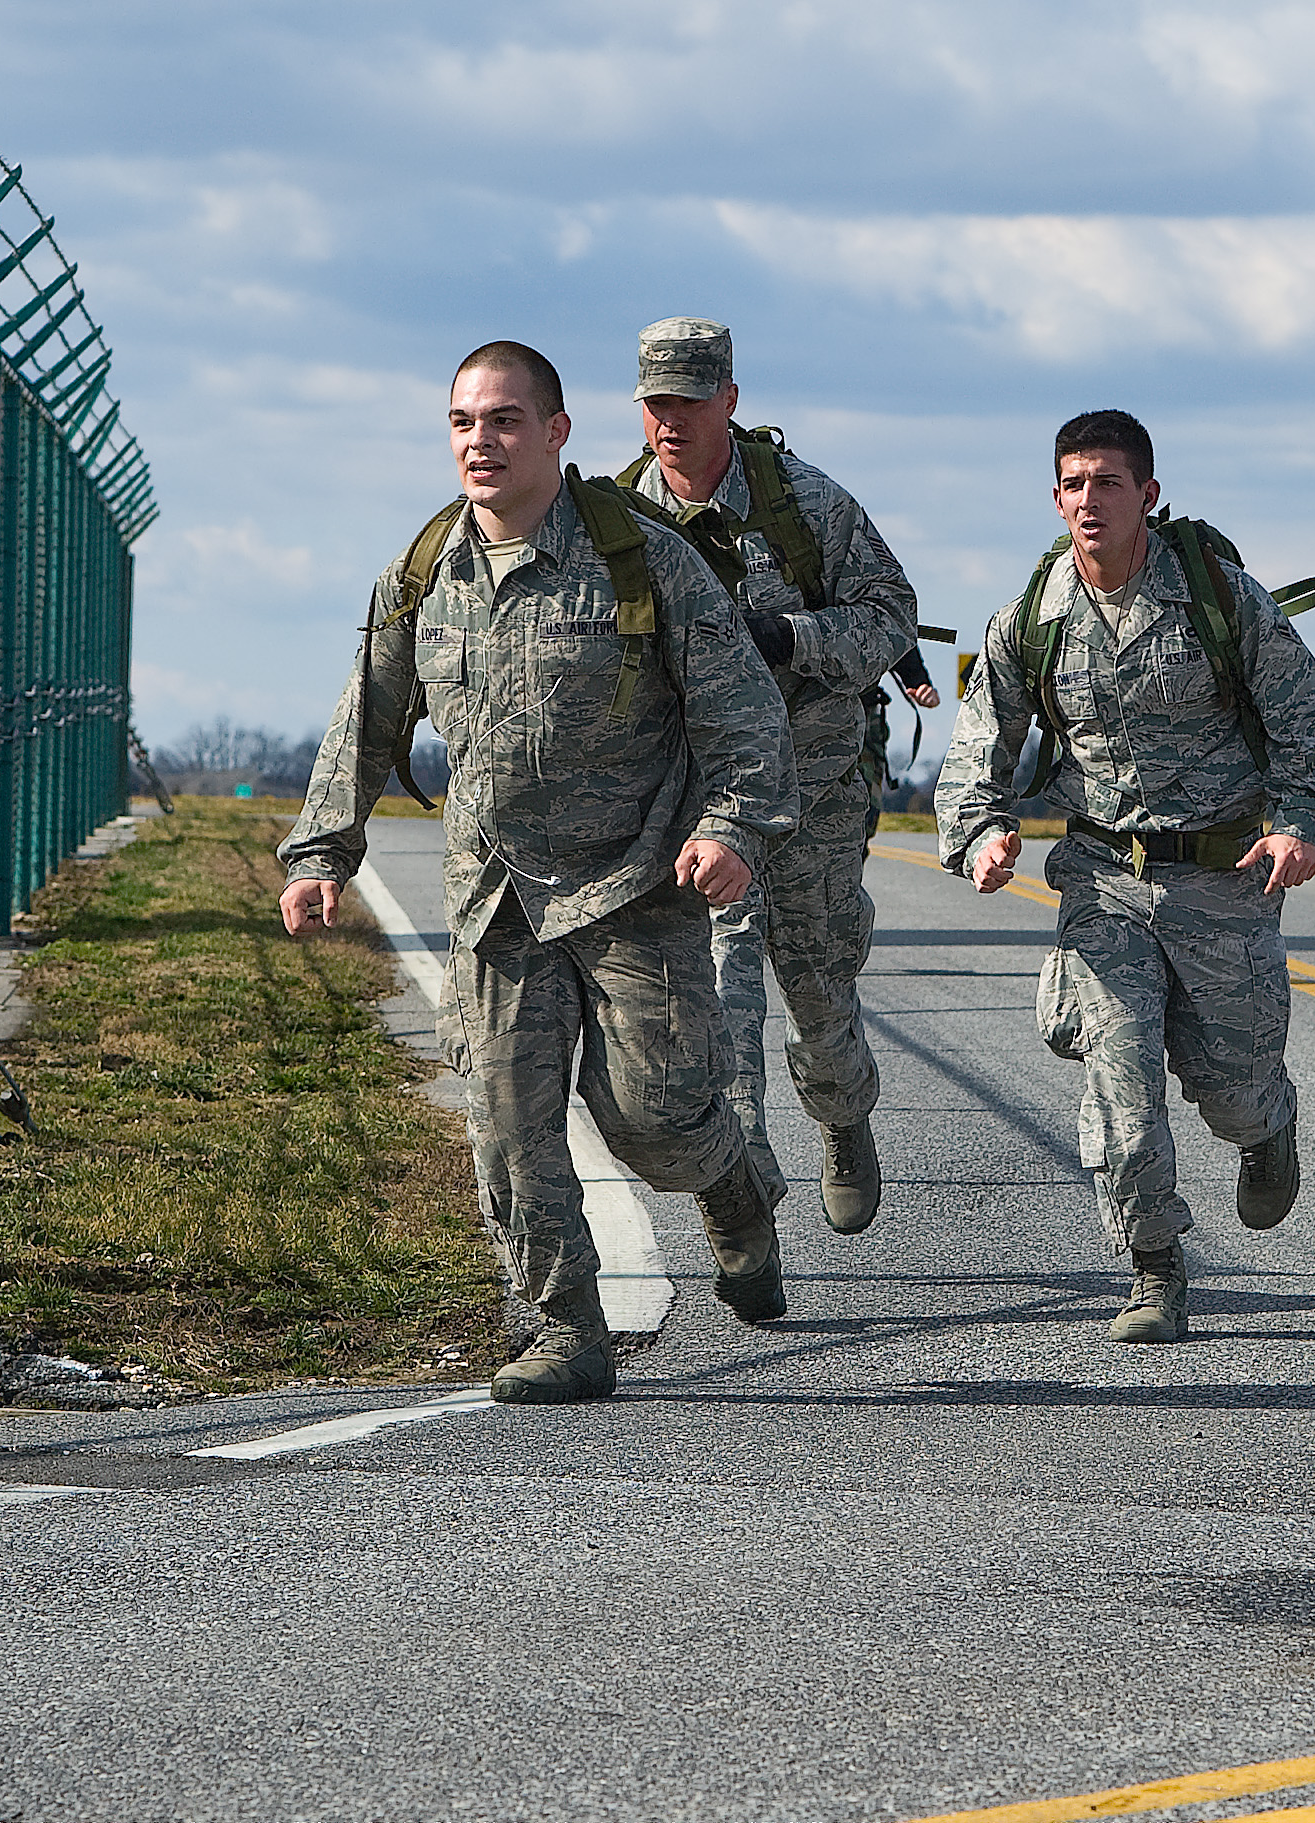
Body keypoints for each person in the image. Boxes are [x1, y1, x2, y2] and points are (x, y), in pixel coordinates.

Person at [277, 340, 798, 1404]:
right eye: (464, 421)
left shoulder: (644, 561)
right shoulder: (424, 572)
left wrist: (732, 830)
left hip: (633, 882)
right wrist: (322, 851)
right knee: (509, 1128)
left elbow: (744, 715)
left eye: (506, 420)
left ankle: (732, 1184)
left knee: (654, 1119)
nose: (482, 441)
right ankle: (566, 1327)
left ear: (556, 432)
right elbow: (366, 718)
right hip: (497, 894)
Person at [934, 410, 1315, 1343]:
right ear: (1055, 498)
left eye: (1108, 482)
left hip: (1221, 879)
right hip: (1100, 882)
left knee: (1232, 1088)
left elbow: (1311, 731)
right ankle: (1154, 1266)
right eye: (1073, 483)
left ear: (1147, 495)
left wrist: (1299, 825)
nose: (1089, 499)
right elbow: (976, 747)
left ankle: (1266, 1127)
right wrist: (980, 832)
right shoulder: (1030, 619)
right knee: (1120, 1087)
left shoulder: (1219, 599)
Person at [619, 318, 919, 1236]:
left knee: (819, 996)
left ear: (729, 401)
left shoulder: (804, 504)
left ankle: (842, 1118)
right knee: (720, 994)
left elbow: (891, 614)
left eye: (688, 401)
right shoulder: (615, 520)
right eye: (655, 403)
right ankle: (745, 1189)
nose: (670, 422)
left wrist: (792, 636)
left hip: (811, 792)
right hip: (698, 804)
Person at [860, 647, 943, 846]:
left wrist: (919, 681)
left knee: (862, 818)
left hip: (862, 719)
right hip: (799, 722)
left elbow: (894, 634)